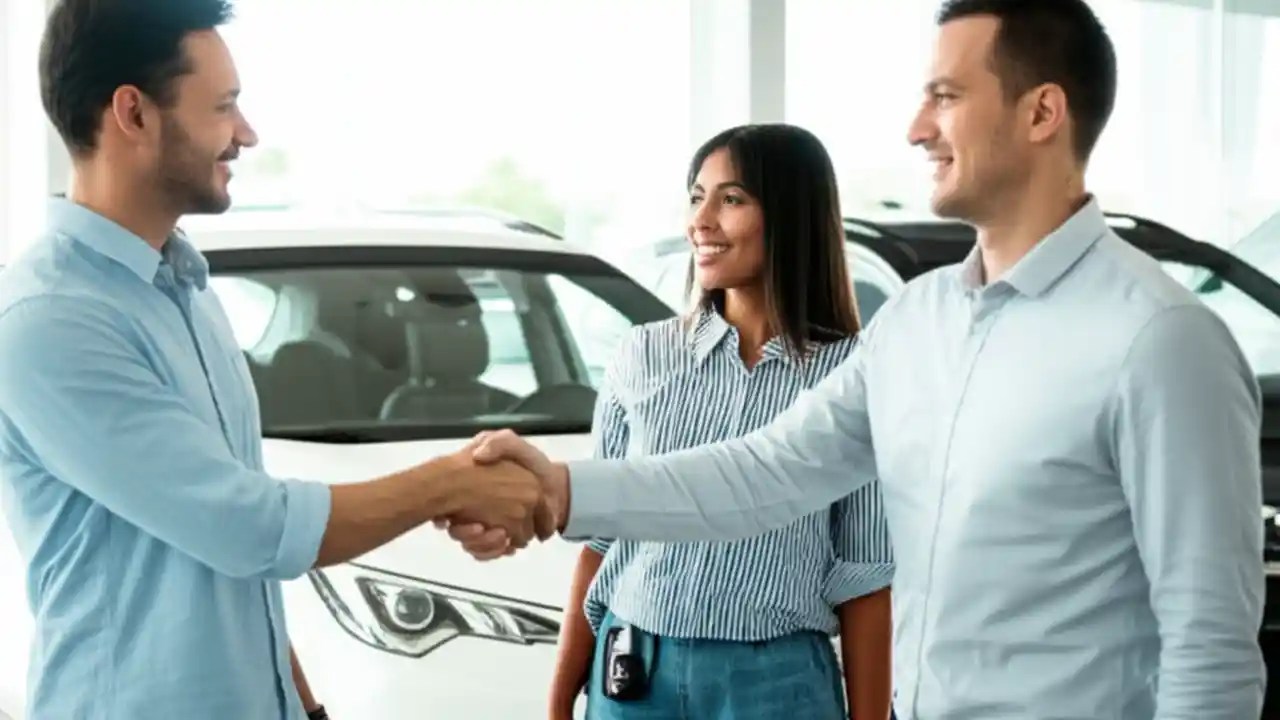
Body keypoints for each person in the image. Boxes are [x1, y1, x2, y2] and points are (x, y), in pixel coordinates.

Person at [451, 1, 1267, 718]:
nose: (917, 128)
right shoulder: (918, 321)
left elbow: (1211, 650)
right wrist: (559, 488)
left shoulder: (1161, 341)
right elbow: (763, 474)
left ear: (1042, 111)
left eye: (945, 96)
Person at [0, 2, 552, 719]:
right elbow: (250, 529)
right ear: (133, 114)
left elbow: (226, 552)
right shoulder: (51, 319)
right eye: (224, 106)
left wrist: (304, 705)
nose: (246, 134)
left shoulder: (185, 290)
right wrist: (449, 482)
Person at [548, 124, 893, 719]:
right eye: (696, 196)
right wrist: (556, 707)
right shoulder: (644, 354)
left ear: (791, 215)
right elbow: (601, 545)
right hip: (633, 674)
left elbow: (863, 578)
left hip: (776, 686)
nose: (700, 221)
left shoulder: (855, 376)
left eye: (730, 199)